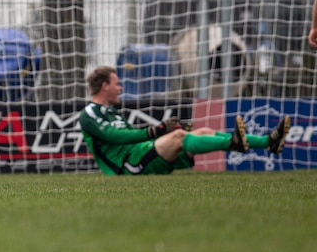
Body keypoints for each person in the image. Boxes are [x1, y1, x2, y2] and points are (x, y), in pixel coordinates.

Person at [79, 65, 290, 175]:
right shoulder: (89, 113)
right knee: (180, 136)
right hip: (127, 167)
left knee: (202, 131)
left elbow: (130, 136)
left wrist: (161, 133)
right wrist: (155, 132)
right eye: (116, 83)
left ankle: (268, 142)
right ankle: (233, 143)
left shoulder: (113, 112)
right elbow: (115, 137)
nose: (120, 88)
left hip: (138, 154)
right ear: (105, 86)